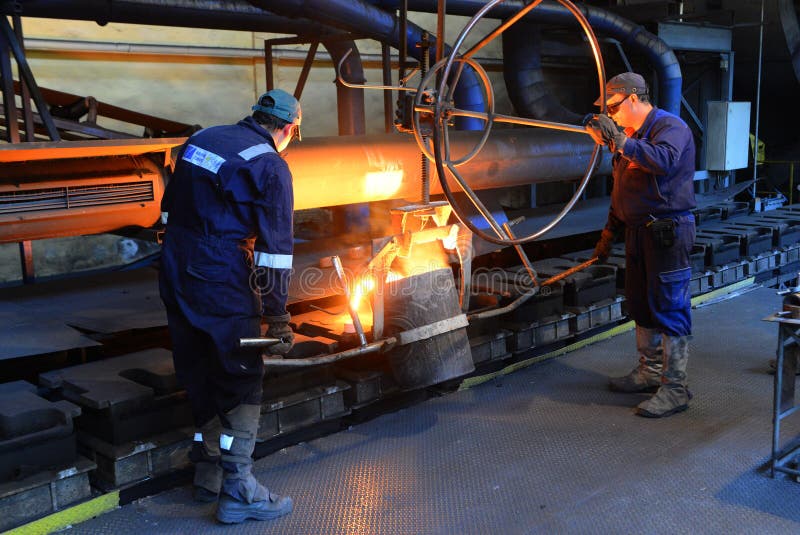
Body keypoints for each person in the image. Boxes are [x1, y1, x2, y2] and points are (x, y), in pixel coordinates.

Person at [159, 88, 301, 523]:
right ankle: (239, 488)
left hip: (175, 263)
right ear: (289, 129)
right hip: (218, 272)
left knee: (197, 363)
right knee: (240, 372)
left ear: (254, 115)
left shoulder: (203, 138)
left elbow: (168, 208)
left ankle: (208, 472)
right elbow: (274, 252)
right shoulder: (271, 166)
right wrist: (277, 316)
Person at [585, 72, 696, 418]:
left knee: (670, 306)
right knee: (641, 303)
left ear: (634, 98)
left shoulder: (670, 127)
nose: (612, 114)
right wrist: (608, 236)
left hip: (667, 232)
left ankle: (675, 389)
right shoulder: (631, 136)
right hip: (638, 232)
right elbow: (622, 193)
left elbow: (663, 161)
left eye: (614, 107)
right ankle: (650, 371)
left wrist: (620, 140)